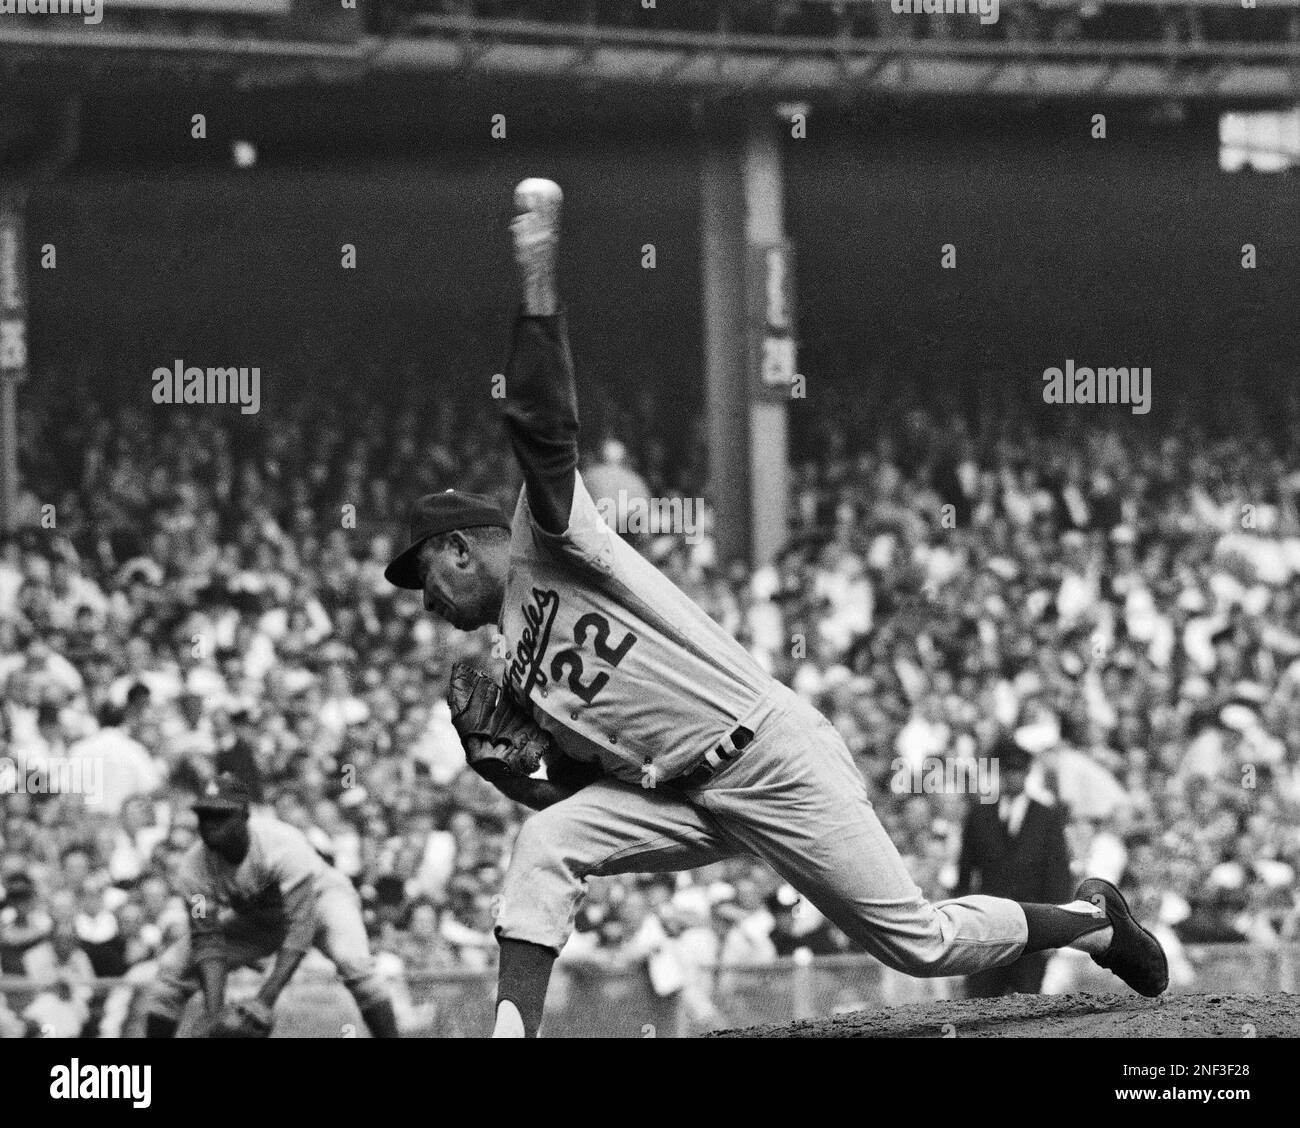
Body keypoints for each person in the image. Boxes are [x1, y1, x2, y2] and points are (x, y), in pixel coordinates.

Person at [384, 178, 1168, 1038]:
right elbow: (586, 794)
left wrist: (536, 283)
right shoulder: (522, 672)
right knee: (548, 845)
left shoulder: (547, 534)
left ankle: (1092, 921)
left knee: (916, 942)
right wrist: (511, 776)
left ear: (460, 546)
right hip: (686, 794)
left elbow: (541, 426)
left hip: (768, 757)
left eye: (426, 579)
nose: (429, 603)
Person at [140, 773, 399, 1038]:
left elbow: (301, 928)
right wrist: (214, 1010)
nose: (210, 823)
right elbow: (207, 942)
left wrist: (263, 1001)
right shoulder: (193, 869)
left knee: (354, 963)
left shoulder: (282, 844)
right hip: (260, 918)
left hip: (322, 902)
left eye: (221, 815)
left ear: (244, 814)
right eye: (205, 815)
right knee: (172, 969)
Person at [955, 736, 1073, 997]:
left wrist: (1054, 932)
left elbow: (1058, 875)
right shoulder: (979, 816)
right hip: (986, 931)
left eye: (1018, 771)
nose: (1012, 778)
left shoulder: (1046, 817)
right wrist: (961, 925)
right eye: (1008, 771)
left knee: (1027, 1006)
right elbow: (964, 874)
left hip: (1031, 931)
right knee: (979, 1005)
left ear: (1027, 773)